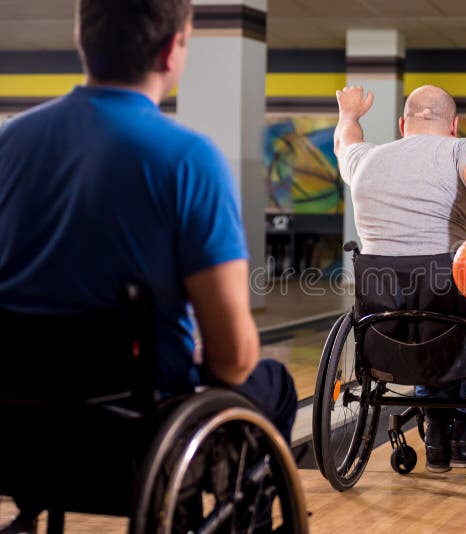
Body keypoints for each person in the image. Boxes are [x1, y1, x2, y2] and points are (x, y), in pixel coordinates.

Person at [0, 1, 296, 531]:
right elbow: (232, 359)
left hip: (16, 430)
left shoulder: (9, 144)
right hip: (135, 437)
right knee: (271, 381)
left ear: (82, 40)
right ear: (170, 50)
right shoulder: (186, 159)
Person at [334, 84, 466, 473]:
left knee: (429, 312)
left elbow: (345, 142)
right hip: (451, 306)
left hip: (385, 321)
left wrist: (350, 115)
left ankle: (436, 427)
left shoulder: (363, 159)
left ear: (402, 124)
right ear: (454, 125)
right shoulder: (464, 149)